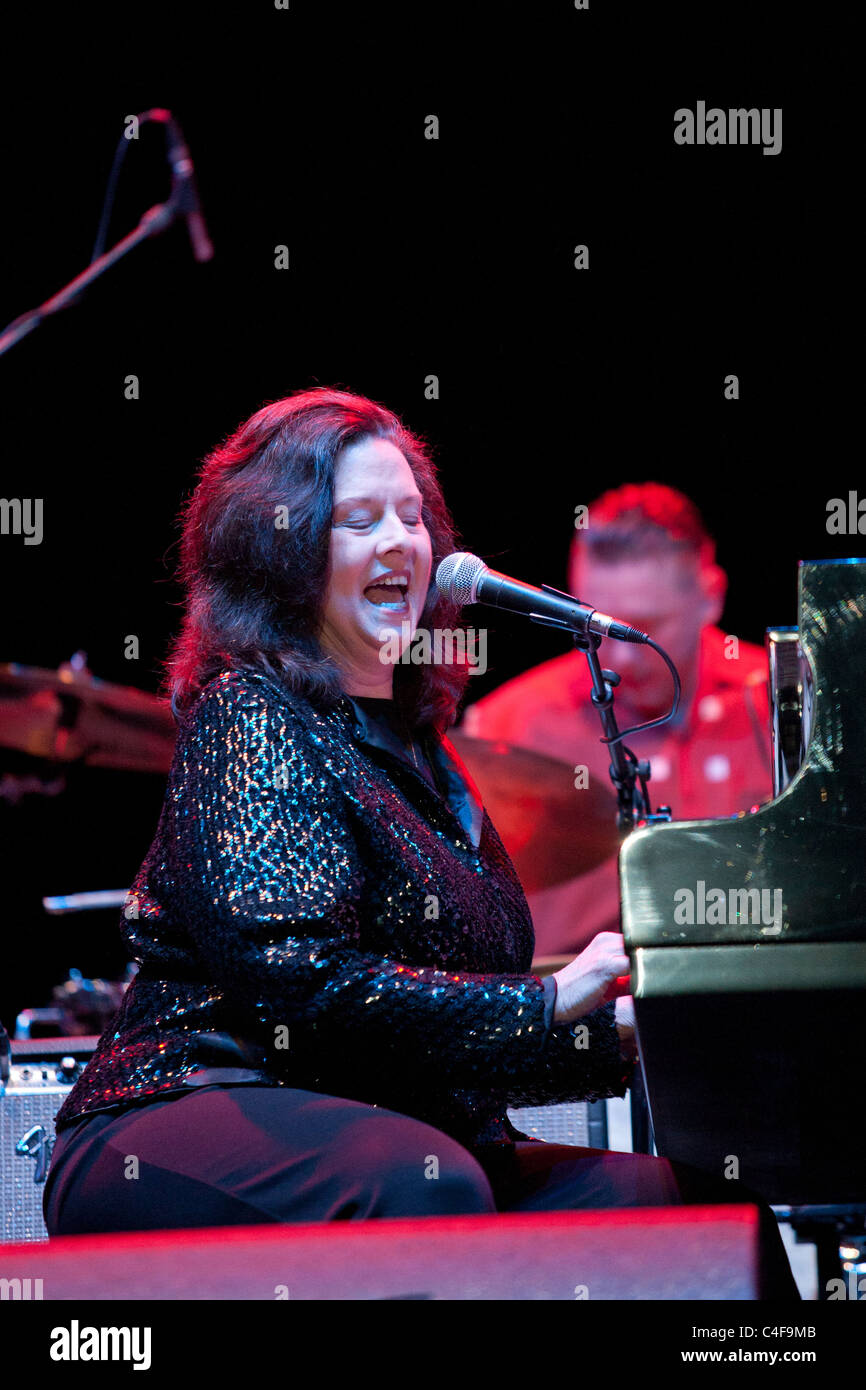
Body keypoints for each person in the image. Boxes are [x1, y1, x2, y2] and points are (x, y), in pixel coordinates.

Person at [42, 391, 797, 1299]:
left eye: (412, 517)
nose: (401, 541)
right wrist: (551, 1000)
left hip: (394, 1126)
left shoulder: (422, 751)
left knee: (703, 1214)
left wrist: (622, 1033)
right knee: (422, 1186)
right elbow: (304, 984)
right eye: (359, 521)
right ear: (281, 553)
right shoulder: (250, 714)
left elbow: (429, 1034)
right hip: (186, 1106)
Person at [462, 483, 773, 958]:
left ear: (711, 596)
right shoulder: (505, 726)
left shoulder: (785, 698)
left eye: (644, 628)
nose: (623, 660)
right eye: (596, 628)